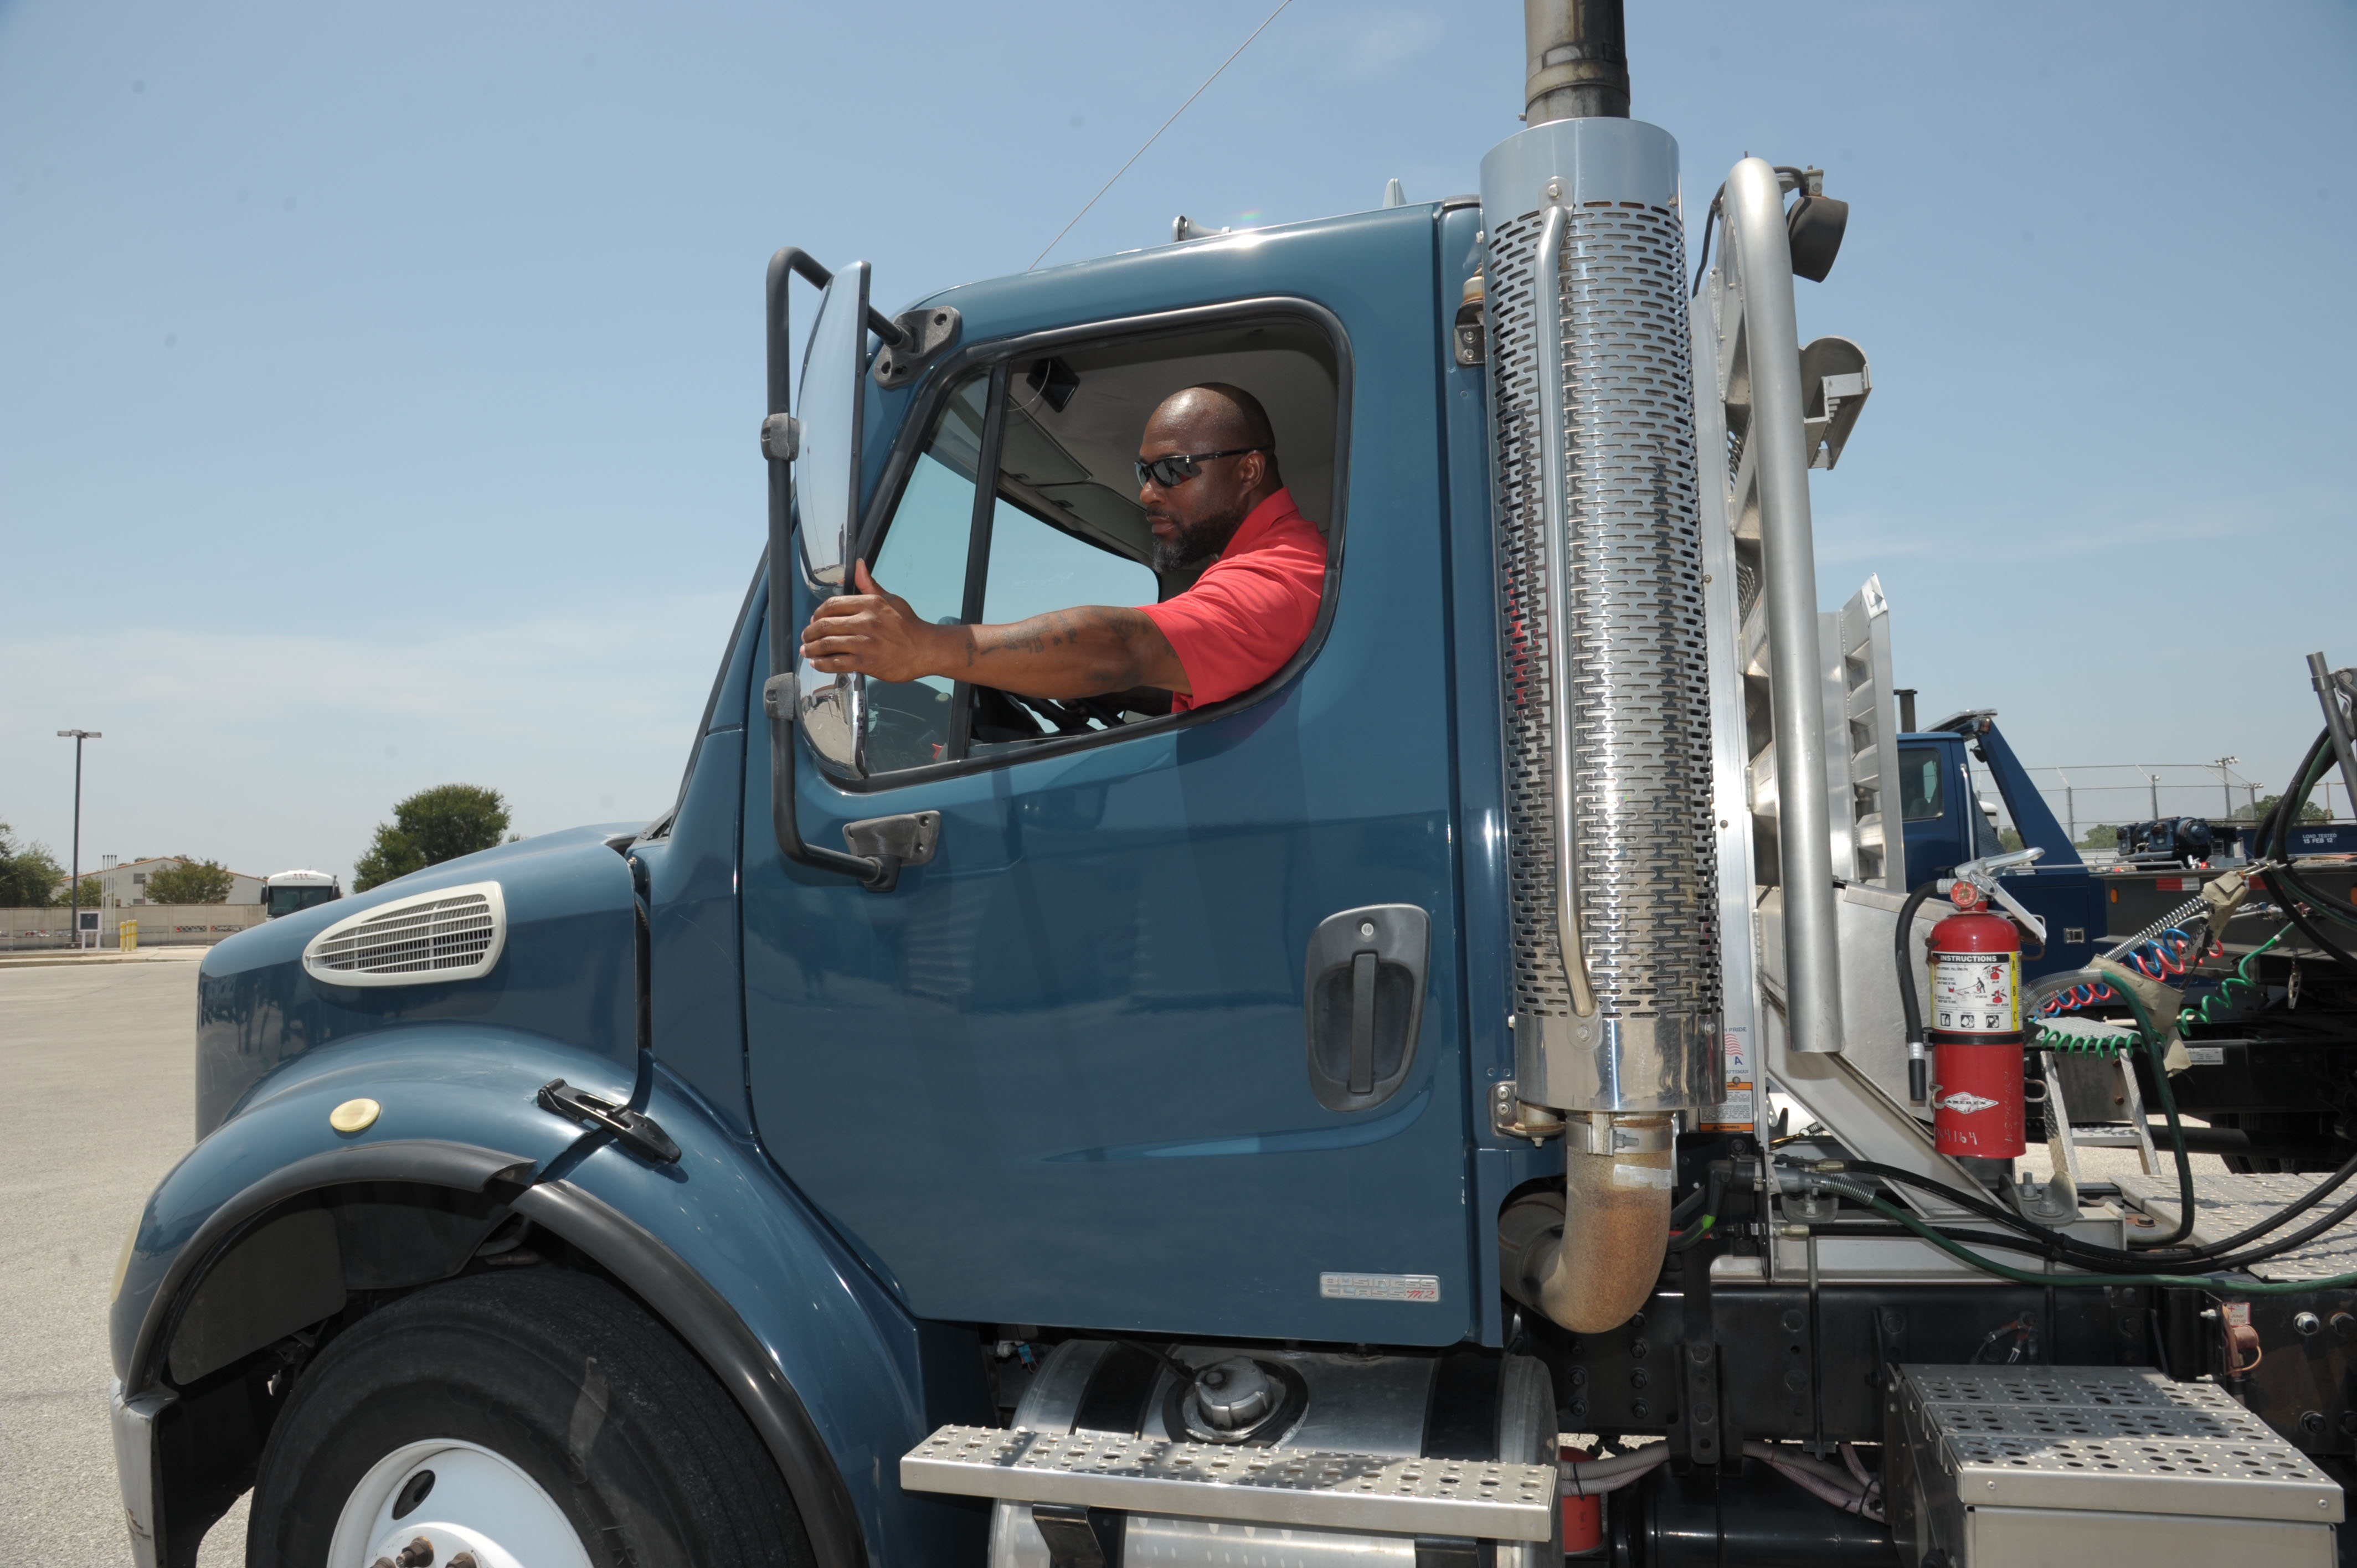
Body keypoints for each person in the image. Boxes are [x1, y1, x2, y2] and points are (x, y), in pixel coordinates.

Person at [800, 383, 1324, 715]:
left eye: (1173, 470)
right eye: (1144, 472)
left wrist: (926, 648)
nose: (1147, 492)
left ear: (1249, 470)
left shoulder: (1282, 576)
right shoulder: (1268, 562)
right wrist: (1071, 685)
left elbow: (1128, 647)